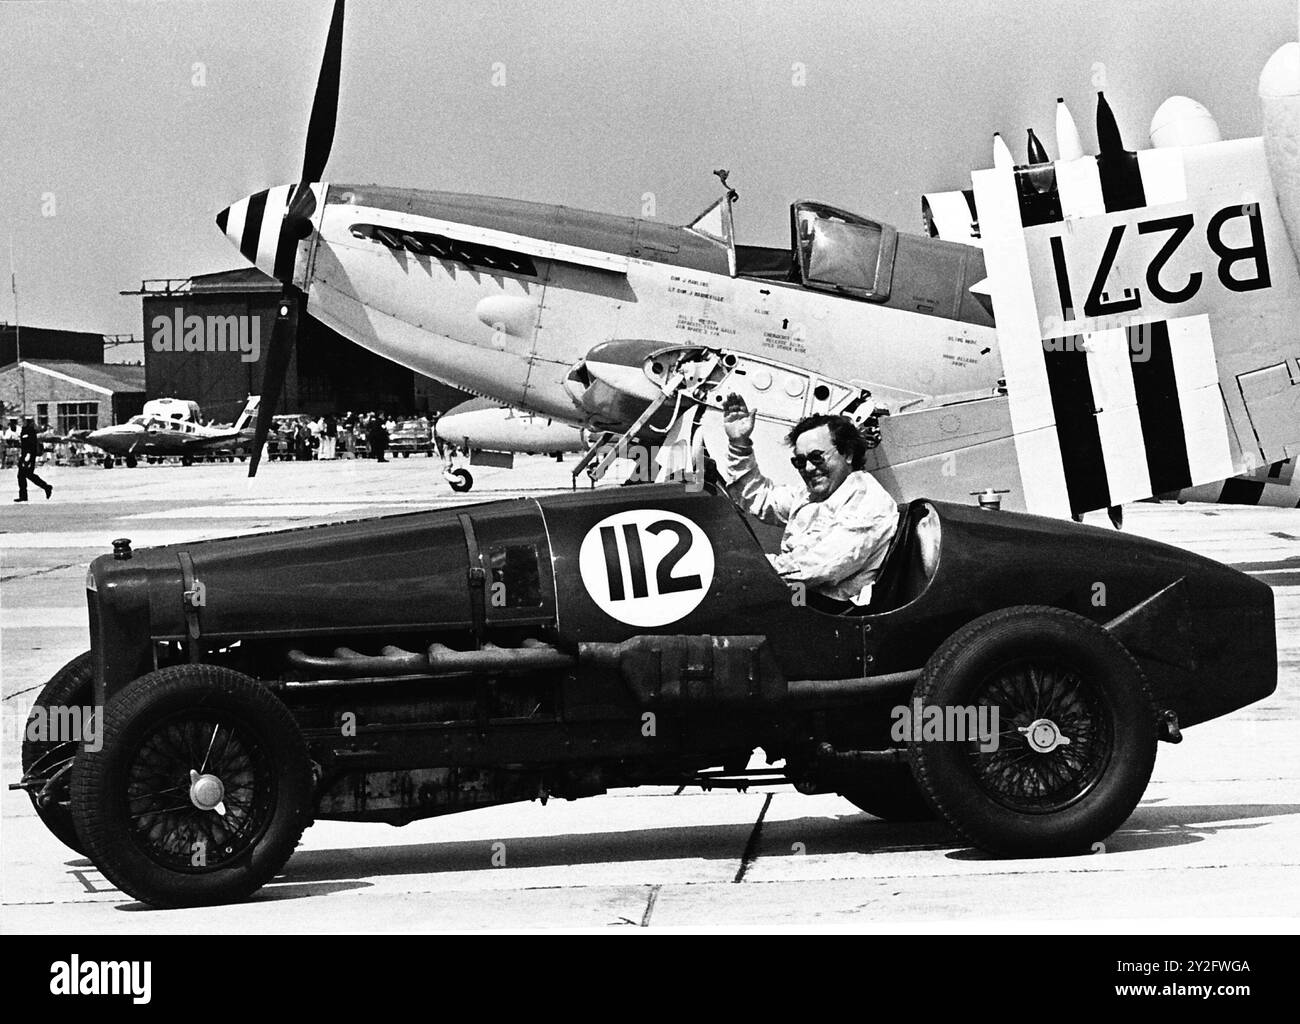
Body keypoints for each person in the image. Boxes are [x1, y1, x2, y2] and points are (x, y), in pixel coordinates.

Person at [722, 393, 895, 607]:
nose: (809, 469)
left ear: (848, 454)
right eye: (800, 461)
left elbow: (818, 567)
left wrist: (744, 566)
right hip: (799, 598)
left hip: (827, 613)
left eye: (817, 457)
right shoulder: (814, 496)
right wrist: (739, 444)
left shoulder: (868, 505)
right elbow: (759, 497)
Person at [15, 419, 53, 502]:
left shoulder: (30, 431)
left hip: (28, 456)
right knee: (28, 475)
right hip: (25, 455)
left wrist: (28, 455)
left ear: (26, 422)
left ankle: (24, 496)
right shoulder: (23, 430)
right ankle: (46, 487)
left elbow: (32, 444)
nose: (19, 423)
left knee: (22, 475)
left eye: (21, 421)